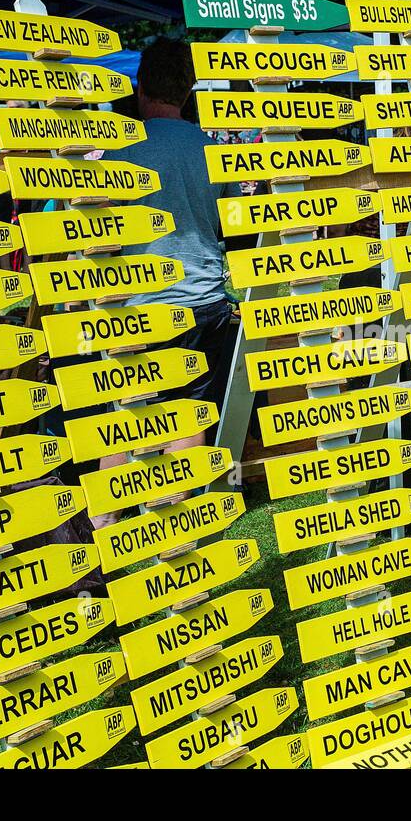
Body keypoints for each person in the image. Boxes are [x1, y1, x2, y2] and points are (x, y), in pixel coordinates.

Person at [88, 38, 242, 525]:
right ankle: (175, 518)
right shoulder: (213, 151)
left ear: (138, 86)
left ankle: (106, 519)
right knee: (189, 408)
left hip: (135, 302)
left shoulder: (114, 153)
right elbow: (229, 223)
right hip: (202, 297)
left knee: (125, 411)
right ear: (190, 88)